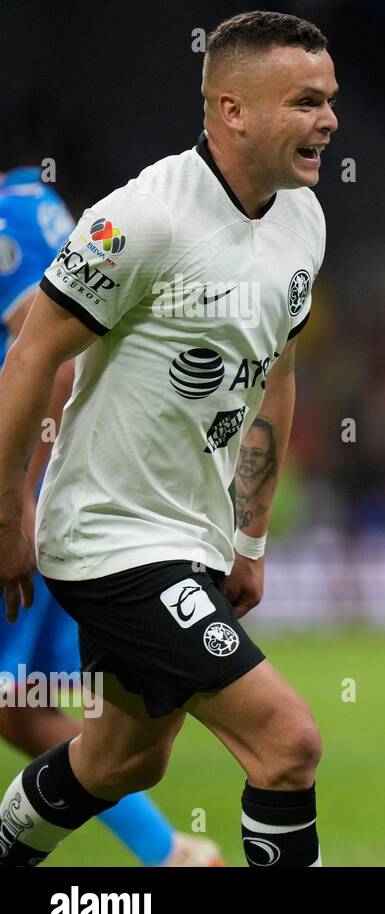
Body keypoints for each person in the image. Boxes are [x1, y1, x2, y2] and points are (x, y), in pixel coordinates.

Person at [0, 10, 336, 867]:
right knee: (287, 743)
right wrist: (8, 513)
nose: (328, 121)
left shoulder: (303, 222)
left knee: (122, 759)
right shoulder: (142, 219)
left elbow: (278, 376)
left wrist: (249, 535)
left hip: (191, 537)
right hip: (110, 537)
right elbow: (33, 352)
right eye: (305, 102)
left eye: (329, 101)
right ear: (232, 109)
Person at [0, 165, 223, 867]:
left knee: (34, 707)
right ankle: (172, 854)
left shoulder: (16, 211)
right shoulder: (30, 205)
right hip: (41, 496)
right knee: (24, 706)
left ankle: (170, 853)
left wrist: (20, 505)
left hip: (28, 502)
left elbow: (56, 361)